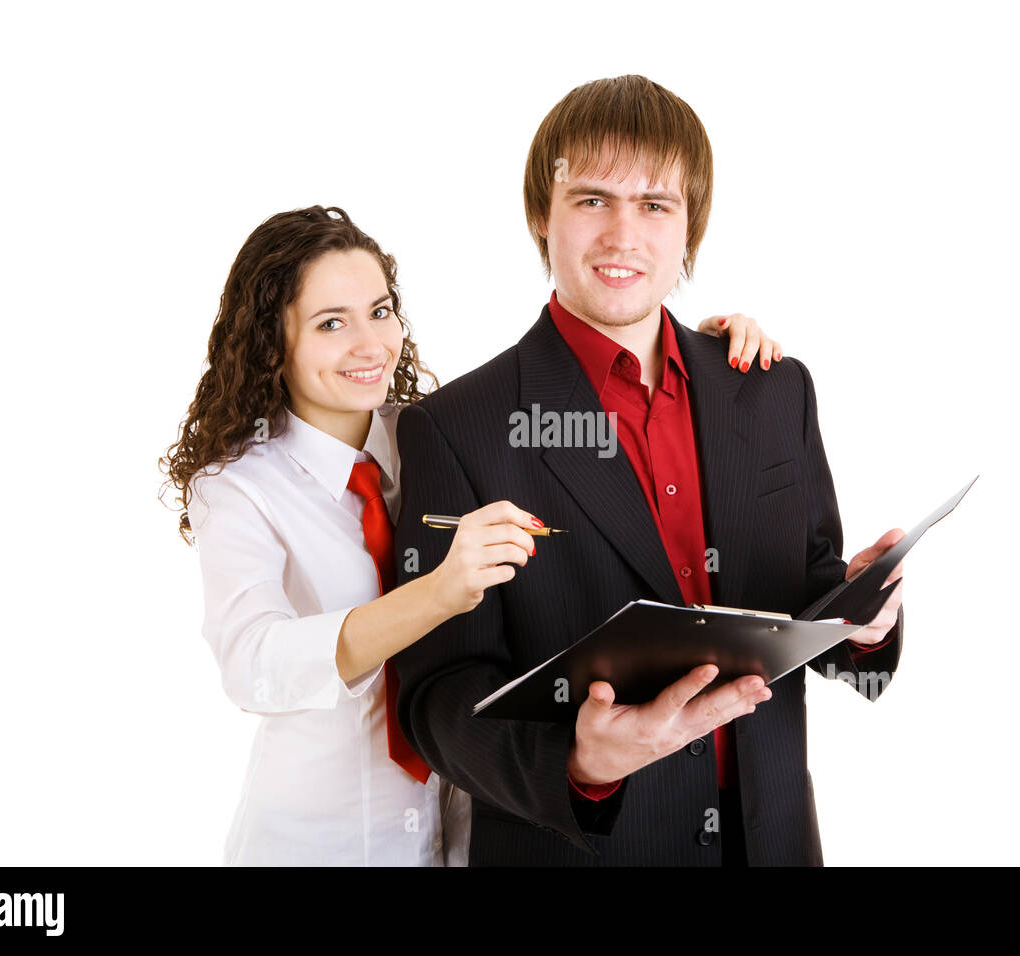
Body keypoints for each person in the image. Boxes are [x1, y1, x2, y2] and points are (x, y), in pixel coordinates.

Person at [159, 204, 787, 865]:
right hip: (316, 840)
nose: (370, 344)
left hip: (462, 835)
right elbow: (254, 665)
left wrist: (695, 352)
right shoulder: (238, 485)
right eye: (330, 324)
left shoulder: (434, 439)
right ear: (270, 344)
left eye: (379, 311)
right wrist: (438, 593)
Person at [391, 75, 907, 867]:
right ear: (542, 214)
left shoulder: (771, 389)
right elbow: (438, 695)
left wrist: (861, 619)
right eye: (592, 199)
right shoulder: (456, 429)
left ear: (689, 222)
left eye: (655, 205)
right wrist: (581, 764)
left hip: (772, 843)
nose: (622, 234)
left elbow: (806, 598)